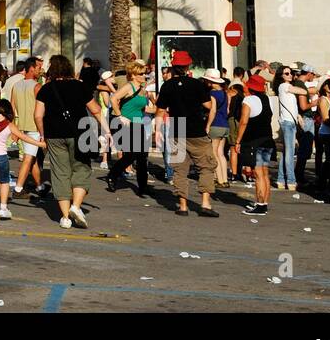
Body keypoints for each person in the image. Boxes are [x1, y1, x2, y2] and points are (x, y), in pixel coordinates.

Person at [35, 55, 102, 229]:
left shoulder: (46, 89)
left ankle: (65, 218)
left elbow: (38, 115)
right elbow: (95, 109)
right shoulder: (80, 86)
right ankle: (76, 207)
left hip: (54, 135)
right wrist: (106, 130)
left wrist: (43, 134)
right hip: (80, 133)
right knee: (81, 168)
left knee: (60, 173)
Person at [155, 52, 218, 217]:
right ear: (188, 66)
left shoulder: (167, 86)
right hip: (196, 129)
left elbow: (160, 111)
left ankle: (182, 206)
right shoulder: (197, 85)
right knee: (206, 166)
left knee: (179, 169)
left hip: (177, 129)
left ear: (173, 67)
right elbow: (207, 105)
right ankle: (205, 204)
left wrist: (157, 132)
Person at [0, 98, 43, 223]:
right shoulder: (9, 125)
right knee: (4, 182)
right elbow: (23, 137)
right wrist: (39, 144)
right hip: (0, 156)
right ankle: (3, 208)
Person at [106, 61, 155, 196]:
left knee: (142, 156)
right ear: (133, 75)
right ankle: (112, 175)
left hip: (139, 122)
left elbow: (143, 108)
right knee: (131, 155)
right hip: (127, 123)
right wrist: (120, 116)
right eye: (141, 74)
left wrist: (158, 109)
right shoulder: (128, 87)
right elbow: (114, 99)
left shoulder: (143, 89)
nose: (144, 75)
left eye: (144, 73)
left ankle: (142, 187)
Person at [233, 70, 275, 214]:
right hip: (267, 139)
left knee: (258, 174)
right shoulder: (267, 99)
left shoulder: (248, 100)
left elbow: (244, 122)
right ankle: (264, 203)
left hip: (254, 141)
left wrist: (238, 141)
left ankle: (260, 204)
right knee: (264, 172)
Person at [1, 58, 45, 195]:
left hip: (23, 126)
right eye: (38, 67)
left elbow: (12, 109)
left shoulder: (17, 86)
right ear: (31, 68)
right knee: (28, 158)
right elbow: (43, 109)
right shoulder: (37, 87)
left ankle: (40, 186)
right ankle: (19, 188)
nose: (40, 70)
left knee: (32, 158)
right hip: (35, 128)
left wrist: (14, 128)